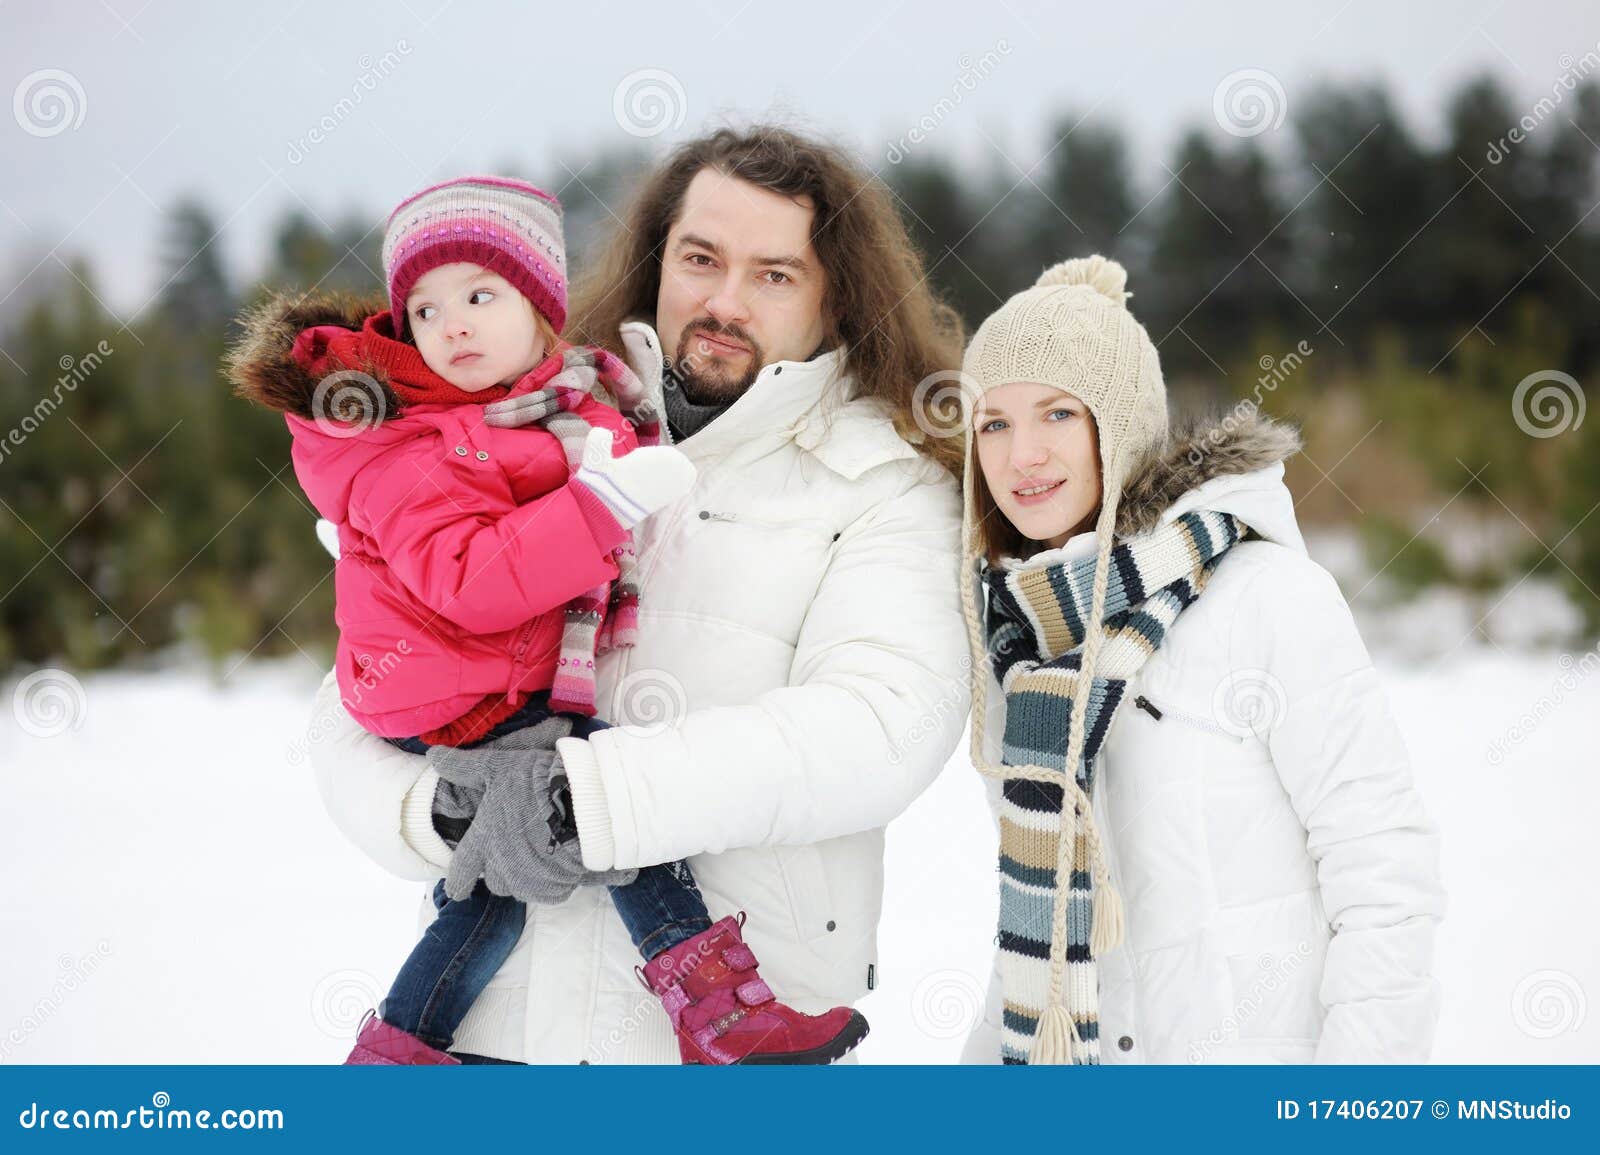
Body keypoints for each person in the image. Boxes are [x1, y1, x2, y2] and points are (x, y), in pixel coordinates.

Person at [300, 128, 972, 1064]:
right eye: (701, 259)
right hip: (492, 1030)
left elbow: (879, 726)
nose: (724, 301)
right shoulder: (519, 427)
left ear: (836, 296)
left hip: (724, 1052)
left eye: (775, 274)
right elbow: (353, 699)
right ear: (658, 261)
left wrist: (595, 797)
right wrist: (445, 811)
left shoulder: (883, 482)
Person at [958, 255, 1446, 1064]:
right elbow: (1038, 928)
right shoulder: (1021, 644)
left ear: (1118, 424)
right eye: (994, 424)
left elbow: (1385, 873)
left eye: (1057, 415)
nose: (1022, 456)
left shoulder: (1266, 596)